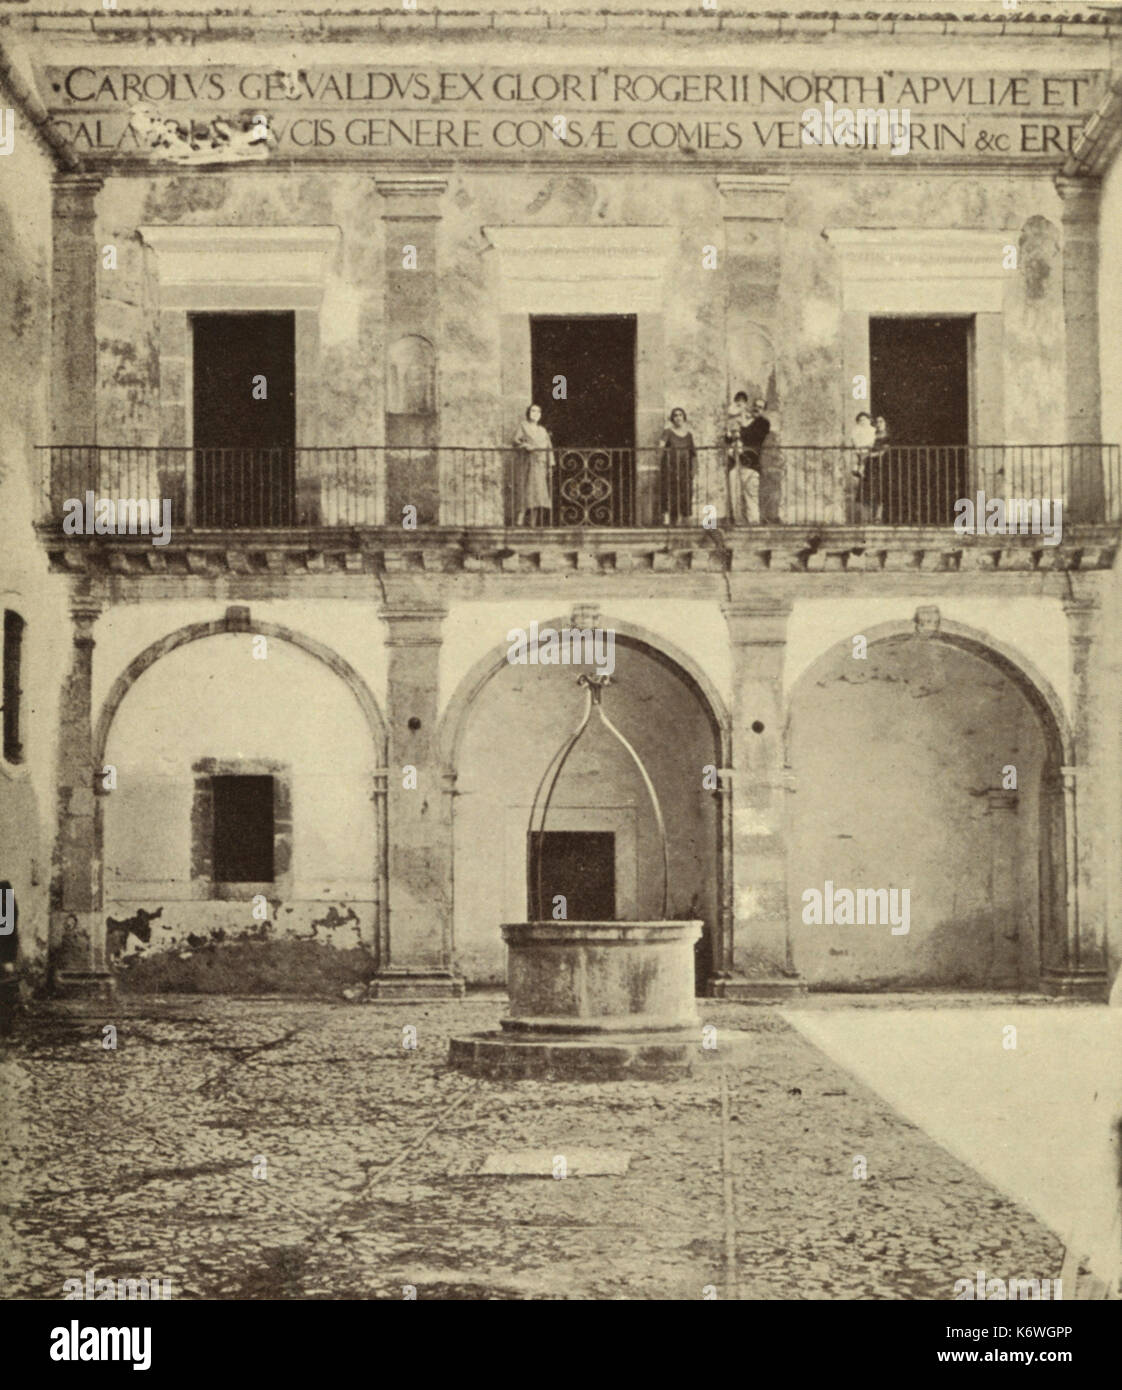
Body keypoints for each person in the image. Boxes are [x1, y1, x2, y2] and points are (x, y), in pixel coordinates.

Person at [511, 404, 553, 527]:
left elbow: (549, 448)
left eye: (538, 412)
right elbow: (515, 441)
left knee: (539, 493)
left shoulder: (543, 430)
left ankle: (533, 522)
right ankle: (520, 518)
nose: (535, 414)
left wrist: (550, 465)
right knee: (526, 490)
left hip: (540, 463)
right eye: (533, 411)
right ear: (528, 413)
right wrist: (525, 446)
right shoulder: (523, 426)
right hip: (528, 462)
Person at [658, 408, 696, 524]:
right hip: (671, 469)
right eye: (675, 415)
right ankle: (669, 520)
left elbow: (693, 454)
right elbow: (661, 447)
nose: (678, 417)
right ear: (672, 419)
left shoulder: (689, 435)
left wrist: (693, 470)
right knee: (670, 492)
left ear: (684, 418)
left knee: (686, 492)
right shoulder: (668, 432)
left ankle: (685, 519)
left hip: (685, 469)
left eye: (680, 415)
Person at [849, 411, 877, 522]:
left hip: (869, 455)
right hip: (861, 453)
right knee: (863, 490)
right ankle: (866, 518)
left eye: (864, 419)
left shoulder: (873, 431)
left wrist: (865, 448)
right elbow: (855, 442)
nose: (862, 422)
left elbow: (872, 443)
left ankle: (861, 467)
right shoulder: (856, 431)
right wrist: (860, 449)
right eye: (860, 420)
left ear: (869, 420)